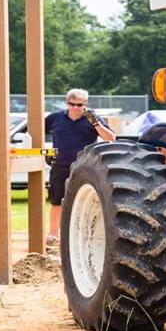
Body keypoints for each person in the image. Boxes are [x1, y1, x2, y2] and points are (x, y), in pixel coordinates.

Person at [45, 89, 117, 246]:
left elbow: (111, 138)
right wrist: (45, 152)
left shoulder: (92, 119)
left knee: (86, 201)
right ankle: (52, 234)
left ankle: (83, 237)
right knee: (57, 200)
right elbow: (35, 131)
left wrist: (96, 123)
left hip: (85, 168)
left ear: (85, 104)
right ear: (67, 103)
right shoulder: (56, 118)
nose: (77, 108)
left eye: (80, 105)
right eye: (73, 104)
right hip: (61, 165)